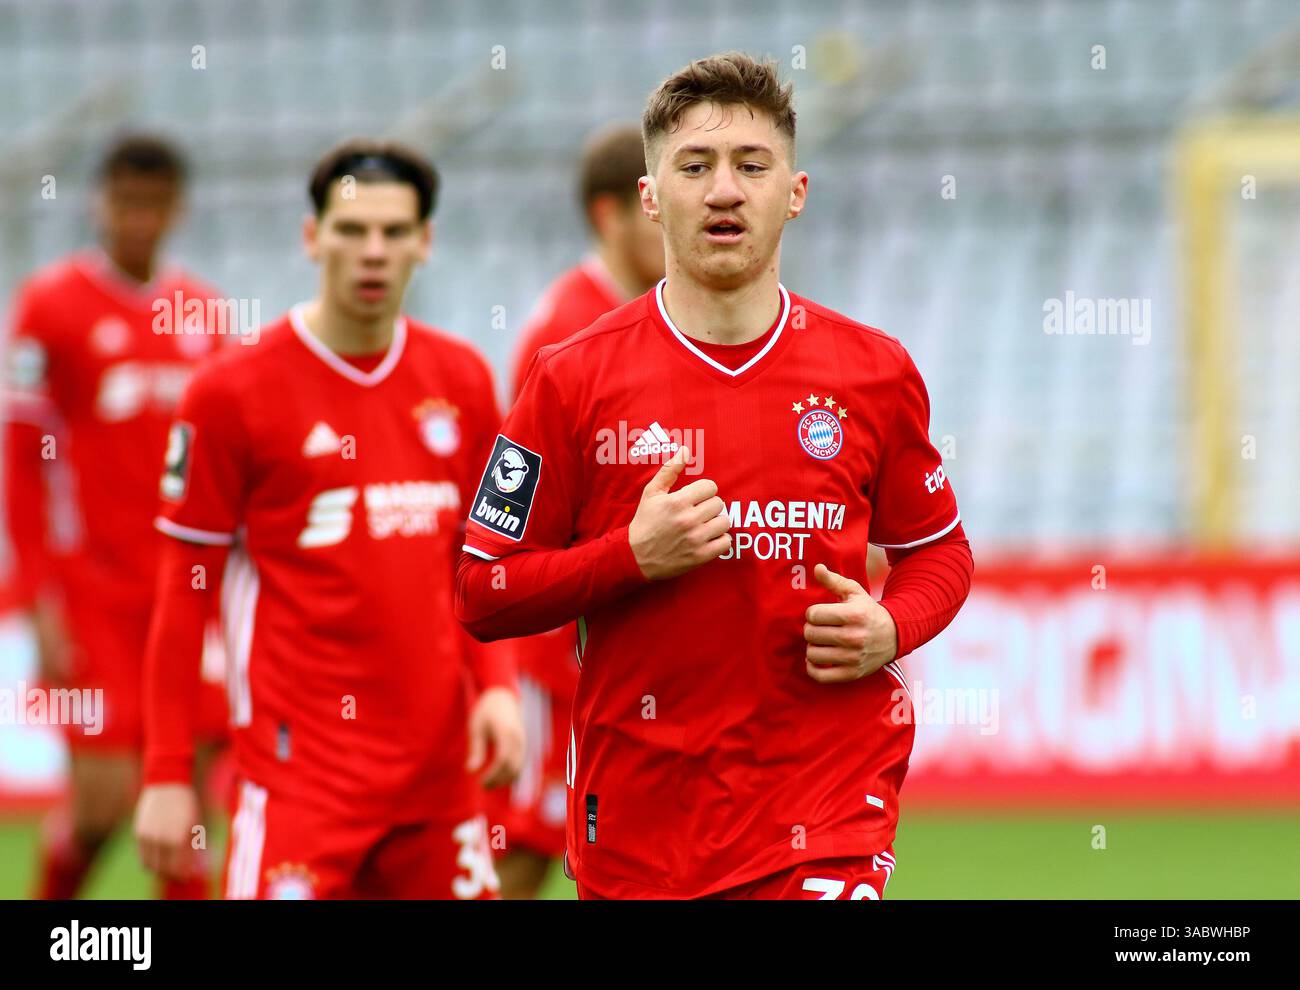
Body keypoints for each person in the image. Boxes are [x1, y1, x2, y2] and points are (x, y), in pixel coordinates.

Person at [456, 53, 974, 900]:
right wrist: (629, 555)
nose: (724, 190)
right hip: (640, 816)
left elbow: (941, 553)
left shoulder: (873, 372)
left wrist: (892, 627)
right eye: (695, 166)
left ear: (795, 192)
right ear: (651, 197)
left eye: (751, 165)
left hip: (827, 804)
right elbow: (483, 589)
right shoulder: (567, 376)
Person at [133, 140, 524, 899]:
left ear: (425, 241)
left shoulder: (464, 380)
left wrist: (500, 688)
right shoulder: (230, 393)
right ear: (313, 238)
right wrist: (167, 773)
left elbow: (483, 562)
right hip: (299, 785)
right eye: (350, 229)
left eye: (393, 231)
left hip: (437, 785)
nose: (372, 251)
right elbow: (183, 593)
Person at [3, 134, 229, 899]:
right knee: (101, 803)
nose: (138, 220)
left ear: (175, 210)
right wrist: (38, 596)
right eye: (125, 203)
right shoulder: (48, 307)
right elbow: (22, 463)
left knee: (189, 808)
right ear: (101, 203)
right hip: (93, 592)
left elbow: (224, 464)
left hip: (186, 589)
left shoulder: (205, 314)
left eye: (153, 205)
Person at [488, 123, 664, 899]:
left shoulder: (654, 316)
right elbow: (518, 511)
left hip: (618, 644)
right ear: (610, 216)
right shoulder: (568, 331)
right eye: (653, 205)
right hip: (554, 649)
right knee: (519, 847)